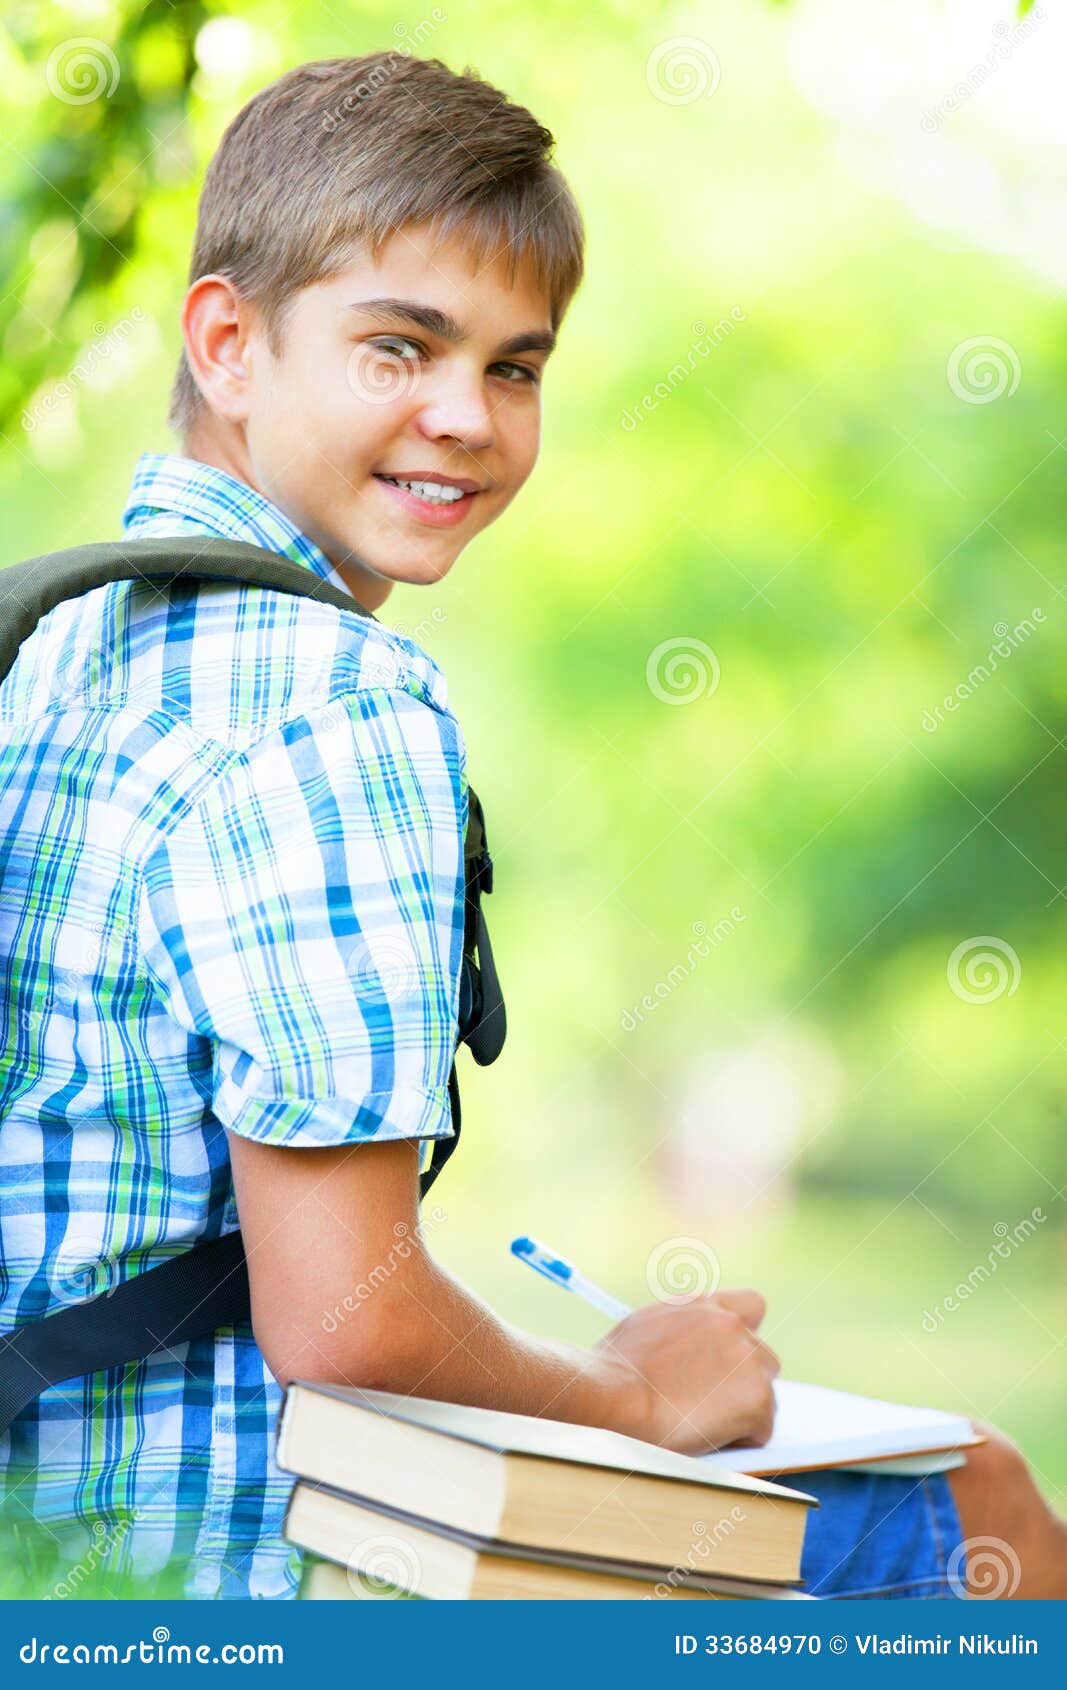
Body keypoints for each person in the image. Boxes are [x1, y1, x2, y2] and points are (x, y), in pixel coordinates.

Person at [0, 52, 1063, 1602]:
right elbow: (350, 1318)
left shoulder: (59, 647)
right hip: (223, 1571)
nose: (466, 418)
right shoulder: (334, 699)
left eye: (514, 366)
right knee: (979, 1503)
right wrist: (636, 1390)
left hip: (46, 1533)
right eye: (399, 347)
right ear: (228, 342)